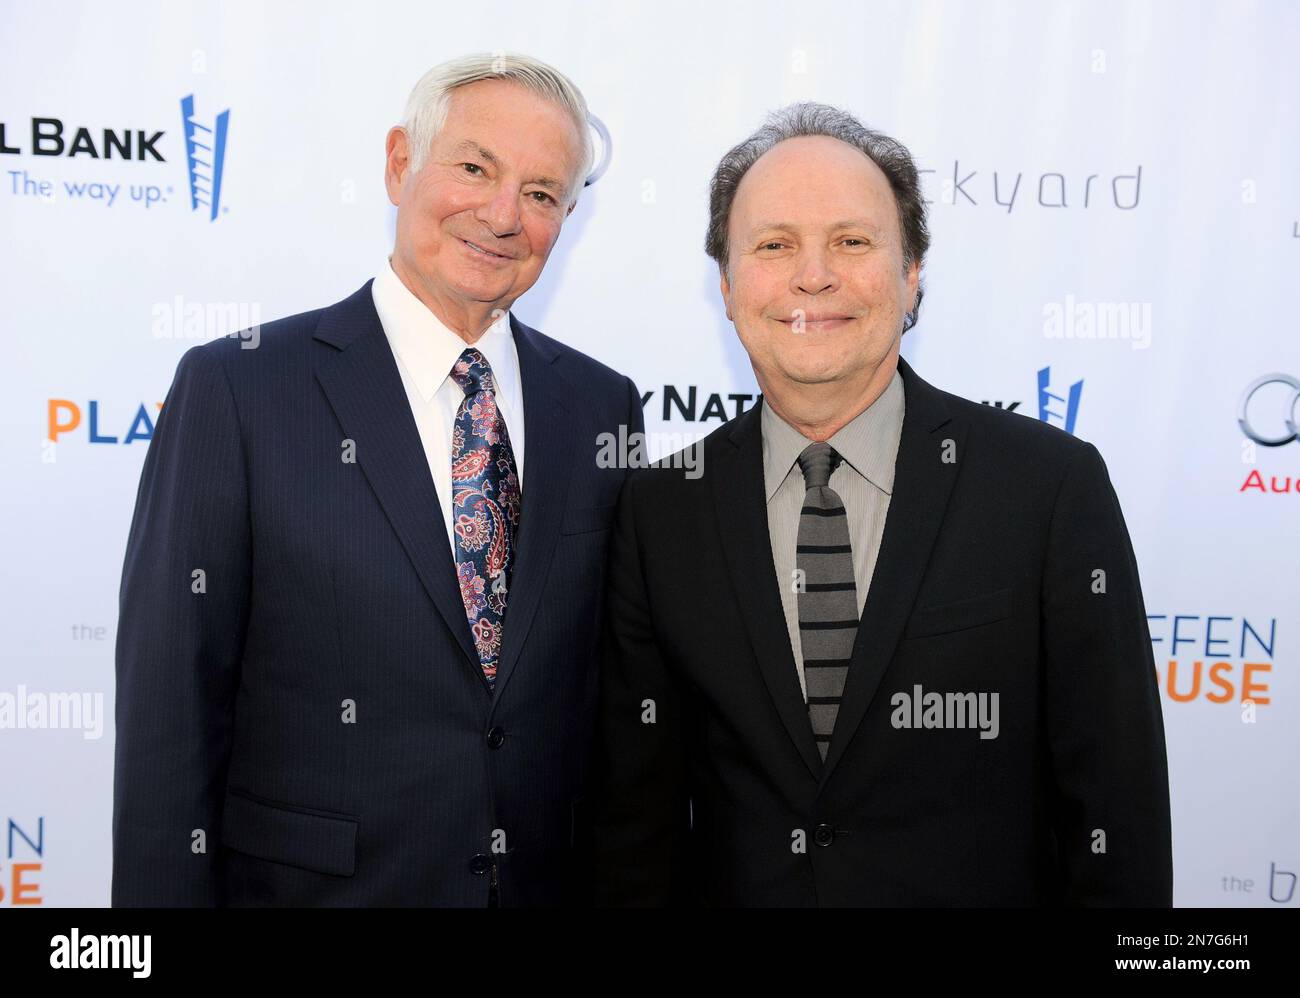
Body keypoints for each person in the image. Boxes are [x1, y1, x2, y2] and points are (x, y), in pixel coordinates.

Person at [592, 102, 1172, 906]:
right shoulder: (661, 512)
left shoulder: (1048, 490)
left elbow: (1117, 815)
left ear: (912, 275)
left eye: (852, 241)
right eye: (773, 245)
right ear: (726, 286)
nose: (813, 275)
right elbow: (636, 832)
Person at [113, 52, 642, 906]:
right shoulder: (240, 389)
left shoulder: (600, 405)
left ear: (567, 216)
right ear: (400, 164)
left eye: (542, 194)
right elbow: (170, 712)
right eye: (474, 167)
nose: (503, 214)